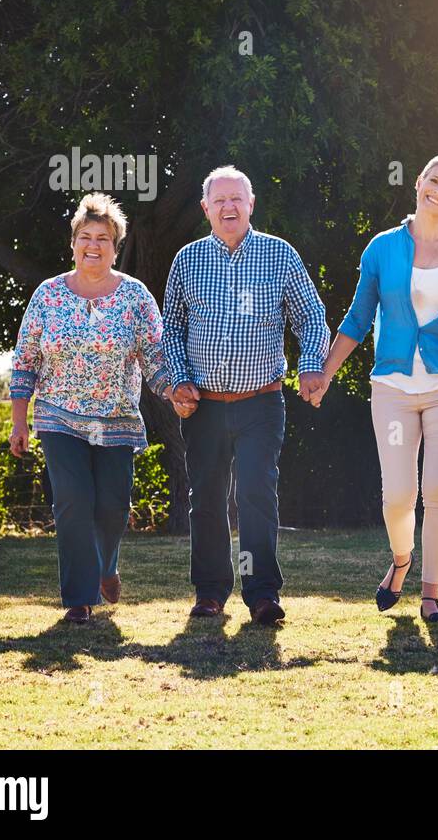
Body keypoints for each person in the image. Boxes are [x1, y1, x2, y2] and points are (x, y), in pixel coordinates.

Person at [313, 153, 438, 623]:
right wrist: (326, 371)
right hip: (393, 388)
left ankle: (431, 595)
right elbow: (359, 317)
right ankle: (401, 560)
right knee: (398, 494)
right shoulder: (382, 248)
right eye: (433, 181)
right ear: (419, 181)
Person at [161, 165, 330, 626]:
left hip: (262, 399)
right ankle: (211, 592)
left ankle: (261, 594)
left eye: (237, 198)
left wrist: (312, 364)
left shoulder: (279, 256)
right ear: (205, 209)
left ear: (251, 204)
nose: (229, 207)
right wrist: (177, 378)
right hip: (205, 405)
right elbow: (170, 328)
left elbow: (313, 318)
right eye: (219, 200)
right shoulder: (188, 261)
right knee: (207, 498)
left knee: (257, 493)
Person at [9, 192, 174, 623]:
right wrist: (19, 421)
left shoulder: (135, 297)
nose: (93, 245)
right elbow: (25, 361)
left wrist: (177, 392)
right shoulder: (48, 296)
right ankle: (79, 601)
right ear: (73, 243)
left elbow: (155, 360)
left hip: (116, 420)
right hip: (57, 416)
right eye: (86, 236)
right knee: (72, 500)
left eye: (103, 237)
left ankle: (106, 566)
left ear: (115, 247)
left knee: (113, 506)